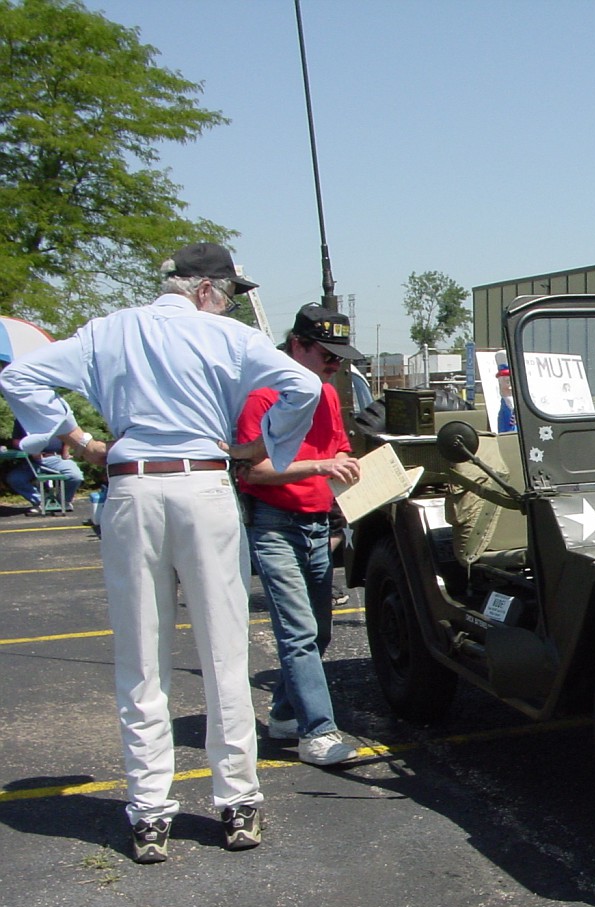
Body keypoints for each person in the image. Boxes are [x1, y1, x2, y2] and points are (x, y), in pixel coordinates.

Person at [0, 243, 321, 863]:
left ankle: (150, 812)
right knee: (224, 648)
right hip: (203, 484)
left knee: (140, 655)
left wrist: (76, 439)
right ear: (204, 289)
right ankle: (238, 802)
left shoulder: (106, 332)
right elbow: (301, 384)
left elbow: (19, 375)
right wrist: (261, 448)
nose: (227, 301)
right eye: (227, 291)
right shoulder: (223, 334)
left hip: (133, 487)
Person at [236, 303, 363, 766]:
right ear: (297, 346)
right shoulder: (263, 395)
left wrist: (348, 468)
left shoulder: (325, 394)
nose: (334, 366)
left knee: (320, 633)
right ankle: (318, 733)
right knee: (299, 632)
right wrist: (320, 465)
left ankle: (286, 715)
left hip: (314, 521)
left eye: (339, 358)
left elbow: (339, 447)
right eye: (327, 355)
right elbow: (253, 469)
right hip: (275, 524)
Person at [8, 419, 84, 513]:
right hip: (32, 461)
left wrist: (65, 451)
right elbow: (16, 441)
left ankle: (64, 501)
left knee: (75, 476)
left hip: (55, 457)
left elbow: (69, 435)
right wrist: (31, 449)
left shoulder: (55, 417)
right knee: (15, 479)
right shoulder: (21, 418)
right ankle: (41, 501)